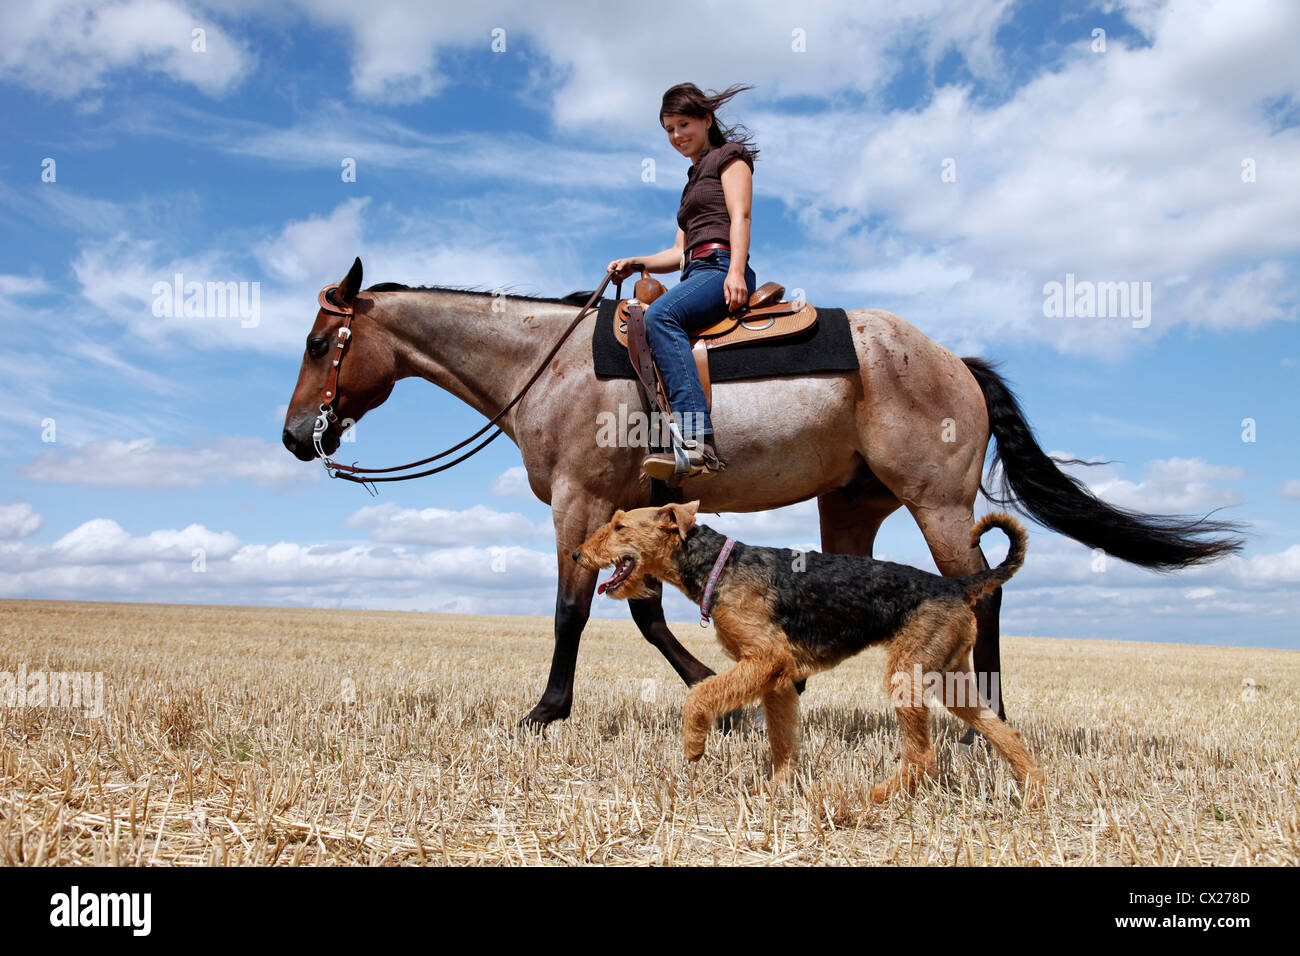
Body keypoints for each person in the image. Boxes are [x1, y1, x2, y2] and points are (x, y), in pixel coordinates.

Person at [608, 82, 760, 481]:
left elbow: (740, 218)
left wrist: (735, 271)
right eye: (669, 129)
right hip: (695, 269)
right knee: (647, 320)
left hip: (721, 265)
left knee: (660, 318)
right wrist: (636, 261)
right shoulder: (691, 181)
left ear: (707, 120)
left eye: (683, 124)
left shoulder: (731, 159)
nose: (677, 136)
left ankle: (698, 442)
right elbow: (678, 253)